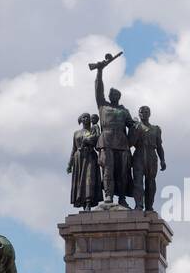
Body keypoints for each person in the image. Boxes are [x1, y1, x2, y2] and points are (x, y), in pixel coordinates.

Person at [92, 58, 134, 207]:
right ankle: (108, 195)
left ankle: (122, 198)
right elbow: (98, 89)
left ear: (119, 97)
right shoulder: (103, 106)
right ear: (109, 97)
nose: (114, 96)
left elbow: (133, 126)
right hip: (107, 141)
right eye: (112, 94)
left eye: (116, 95)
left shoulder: (124, 111)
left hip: (122, 143)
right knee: (108, 171)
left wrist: (133, 134)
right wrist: (99, 71)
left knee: (122, 173)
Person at [130, 106, 166, 213]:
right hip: (139, 155)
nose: (144, 113)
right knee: (138, 182)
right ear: (139, 114)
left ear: (149, 114)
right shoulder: (136, 127)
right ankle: (139, 206)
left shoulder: (156, 129)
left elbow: (159, 146)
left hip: (152, 156)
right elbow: (130, 143)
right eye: (141, 112)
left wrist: (163, 160)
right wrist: (134, 130)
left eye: (146, 112)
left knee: (151, 183)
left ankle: (149, 206)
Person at [67, 113, 102, 211]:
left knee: (89, 178)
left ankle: (88, 202)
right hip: (79, 158)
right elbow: (73, 149)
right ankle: (82, 201)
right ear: (81, 120)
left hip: (90, 156)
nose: (86, 119)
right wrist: (70, 164)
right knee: (80, 181)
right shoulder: (76, 133)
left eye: (87, 117)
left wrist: (89, 140)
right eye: (83, 117)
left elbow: (98, 140)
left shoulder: (94, 129)